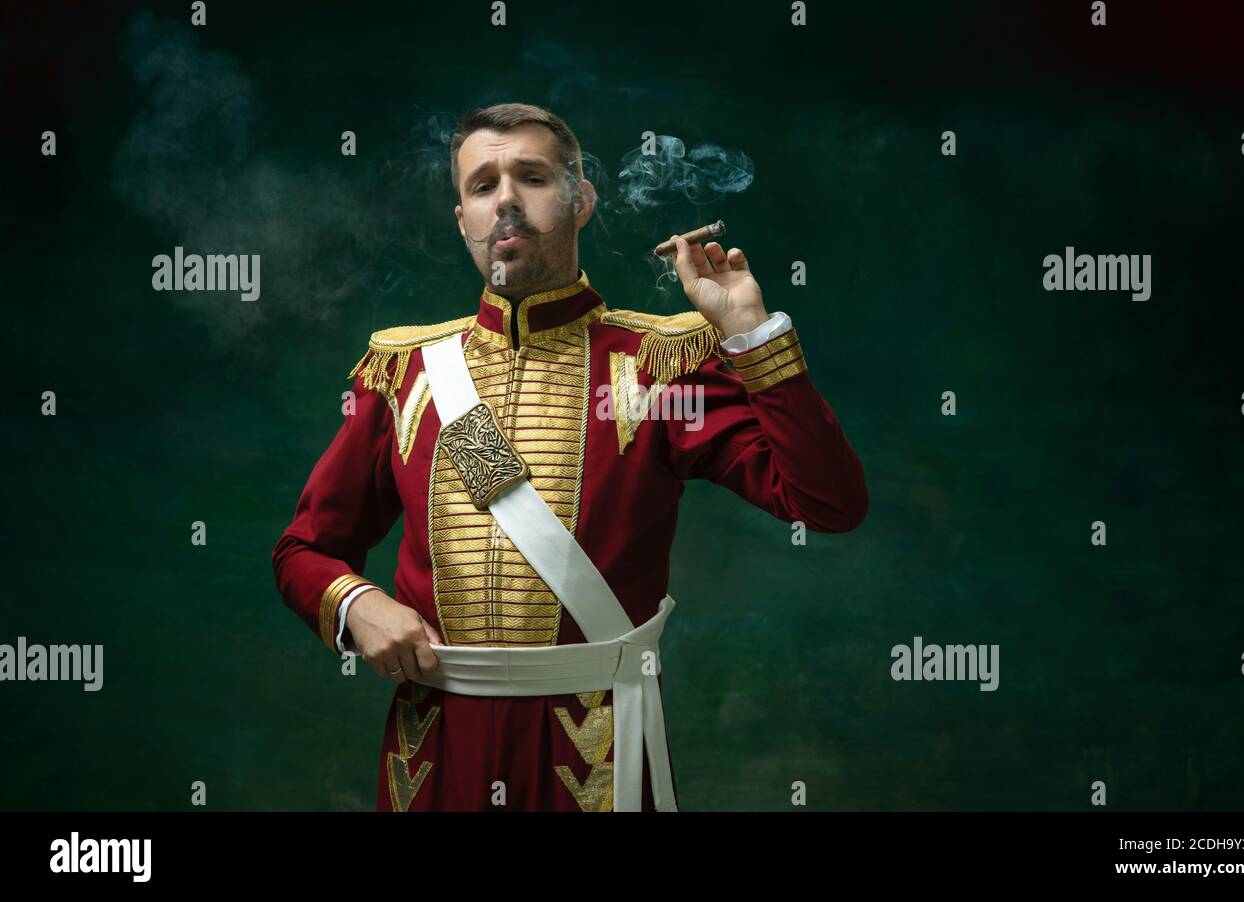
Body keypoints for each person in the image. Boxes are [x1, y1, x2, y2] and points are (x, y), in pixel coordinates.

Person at [271, 102, 869, 811]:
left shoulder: (656, 364)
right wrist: (357, 604)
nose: (507, 202)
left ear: (580, 200)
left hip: (595, 751)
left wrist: (750, 334)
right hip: (436, 751)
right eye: (482, 186)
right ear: (462, 218)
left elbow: (827, 504)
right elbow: (304, 549)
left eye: (531, 176)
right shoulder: (407, 373)